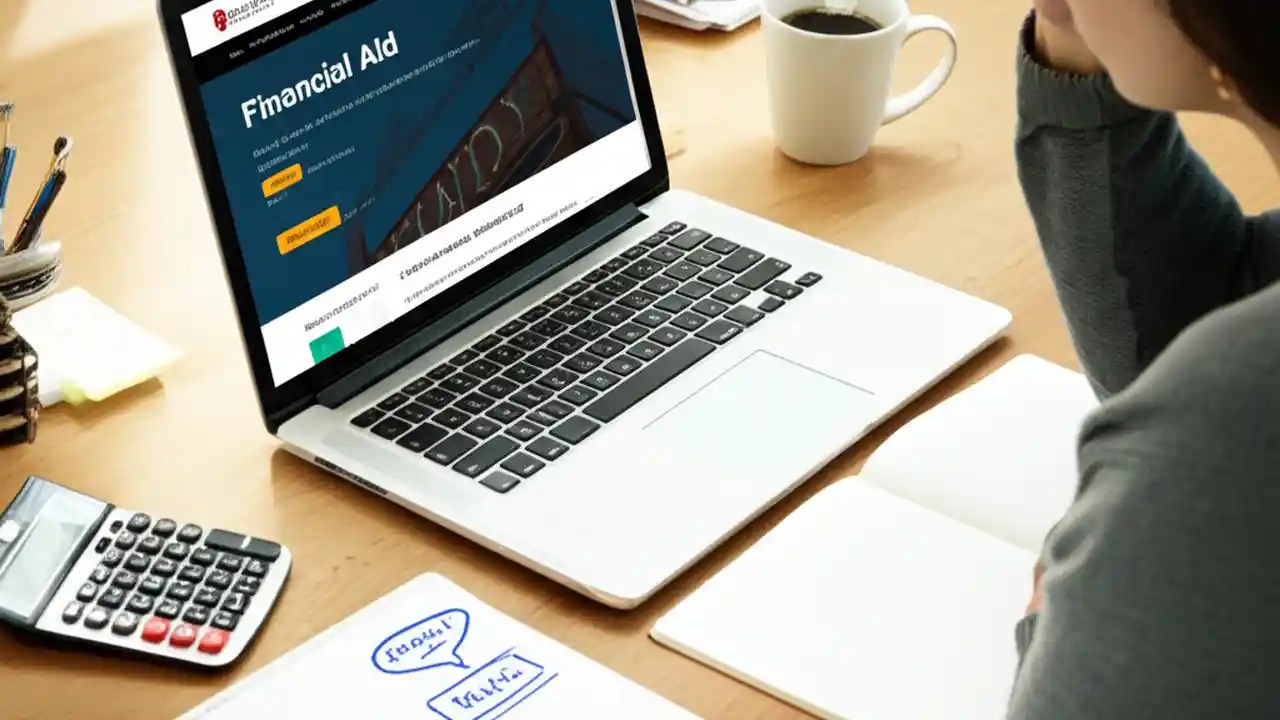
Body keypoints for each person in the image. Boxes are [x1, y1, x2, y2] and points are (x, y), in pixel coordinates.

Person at [1010, 0, 1280, 717]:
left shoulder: (1234, 428)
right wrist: (1072, 29)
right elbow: (1181, 347)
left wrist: (1050, 627)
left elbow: (1209, 406)